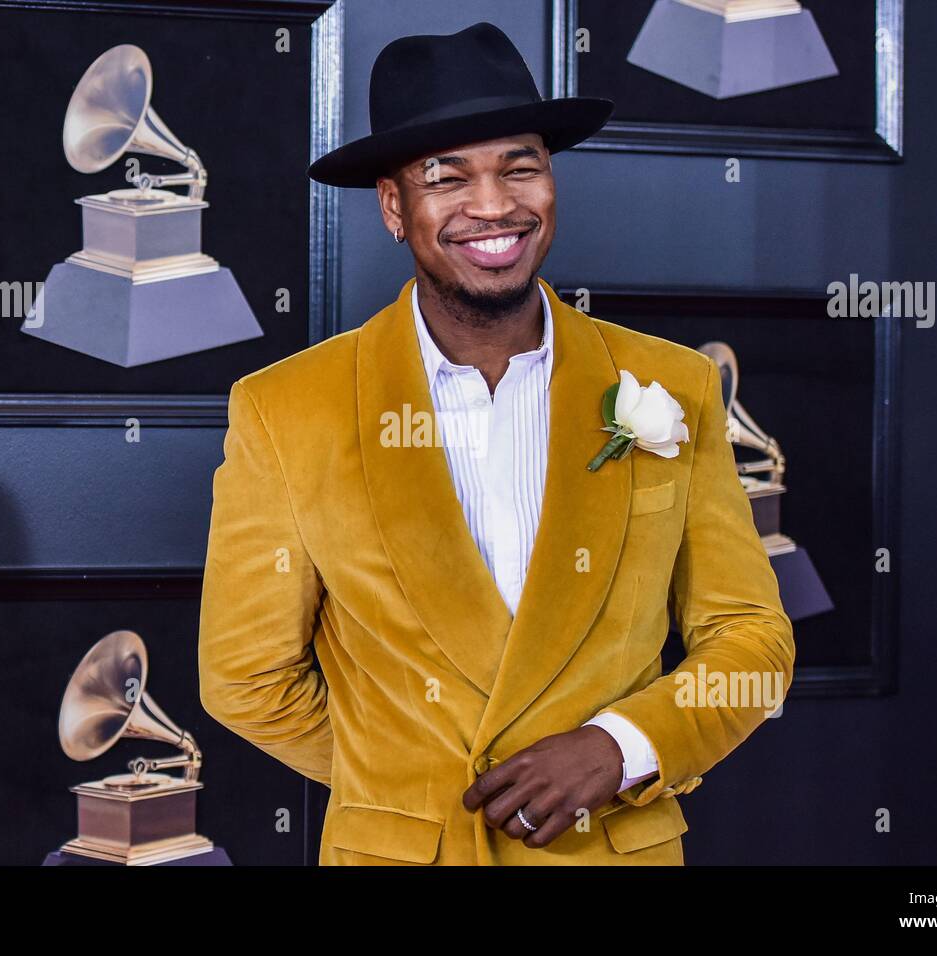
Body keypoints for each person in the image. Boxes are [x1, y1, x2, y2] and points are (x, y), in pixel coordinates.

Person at [198, 21, 794, 865]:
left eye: (521, 165)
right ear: (395, 207)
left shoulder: (673, 385)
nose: (494, 205)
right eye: (447, 177)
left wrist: (618, 748)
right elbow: (246, 679)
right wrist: (419, 784)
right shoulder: (285, 409)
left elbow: (752, 640)